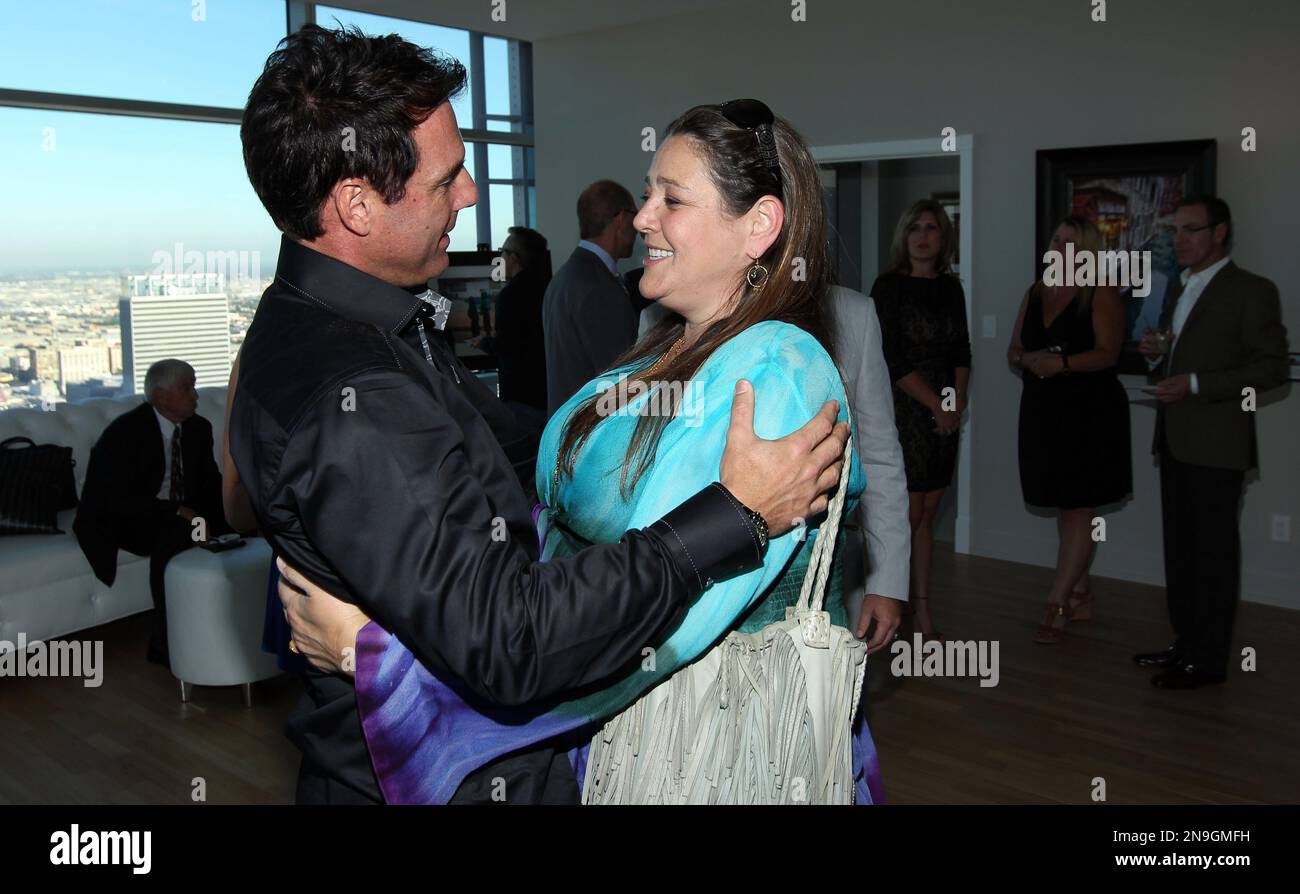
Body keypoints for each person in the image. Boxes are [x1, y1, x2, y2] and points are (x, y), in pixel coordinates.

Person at [230, 27, 849, 805]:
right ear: (356, 205)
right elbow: (515, 637)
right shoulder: (359, 386)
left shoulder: (775, 373)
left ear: (758, 227)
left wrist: (378, 652)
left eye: (671, 197)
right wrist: (728, 515)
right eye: (448, 177)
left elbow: (506, 472)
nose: (469, 194)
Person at [1135, 196, 1289, 688]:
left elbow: (1271, 369)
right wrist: (1159, 355)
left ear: (1220, 233)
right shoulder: (1182, 287)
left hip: (1218, 446)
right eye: (1174, 231)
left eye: (1191, 230)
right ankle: (1186, 645)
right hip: (1176, 441)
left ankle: (1208, 660)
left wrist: (1196, 384)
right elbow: (1182, 357)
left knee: (1213, 557)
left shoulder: (1251, 290)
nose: (1179, 239)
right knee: (1181, 553)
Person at [1008, 216, 1132, 643]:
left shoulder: (1101, 292)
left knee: (1080, 507)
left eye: (1072, 243)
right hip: (1043, 411)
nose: (1061, 248)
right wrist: (1032, 360)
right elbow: (1014, 350)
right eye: (1057, 240)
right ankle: (1081, 593)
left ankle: (1057, 603)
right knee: (1064, 505)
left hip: (1090, 413)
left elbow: (1109, 353)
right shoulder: (1036, 291)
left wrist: (1060, 364)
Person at [73, 358, 231, 666]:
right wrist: (181, 512)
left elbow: (209, 483)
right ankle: (164, 640)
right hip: (123, 516)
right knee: (175, 532)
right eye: (187, 388)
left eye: (194, 386)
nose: (195, 395)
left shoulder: (198, 428)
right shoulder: (126, 433)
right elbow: (119, 498)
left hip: (178, 511)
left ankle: (231, 622)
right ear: (160, 397)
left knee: (244, 522)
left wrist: (234, 508)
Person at [871, 199, 971, 641]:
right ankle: (894, 606)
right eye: (915, 228)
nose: (923, 236)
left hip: (944, 410)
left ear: (942, 236)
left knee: (929, 513)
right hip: (905, 405)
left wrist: (954, 405)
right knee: (906, 513)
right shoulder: (888, 286)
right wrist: (936, 404)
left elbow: (961, 352)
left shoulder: (952, 287)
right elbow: (889, 357)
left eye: (931, 227)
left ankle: (923, 608)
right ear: (904, 237)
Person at [542, 179, 640, 415]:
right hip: (590, 431)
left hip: (566, 423)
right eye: (635, 216)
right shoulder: (598, 287)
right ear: (621, 219)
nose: (639, 226)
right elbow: (620, 384)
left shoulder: (564, 277)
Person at [485, 226, 550, 420]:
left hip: (521, 396)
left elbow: (508, 345)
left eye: (502, 251)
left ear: (514, 257)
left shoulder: (511, 295)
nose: (500, 258)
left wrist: (484, 343)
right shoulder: (550, 287)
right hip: (547, 392)